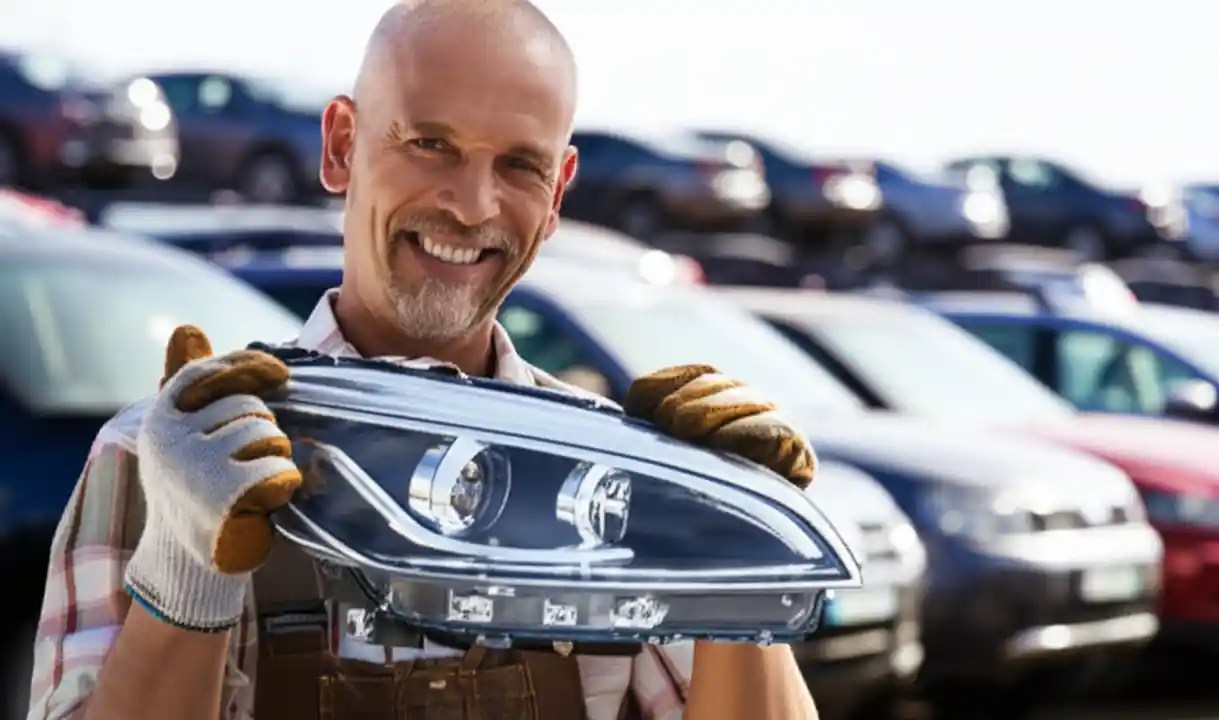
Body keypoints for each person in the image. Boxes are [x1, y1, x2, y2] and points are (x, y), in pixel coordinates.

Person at [27, 1, 820, 718]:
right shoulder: (166, 458)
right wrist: (183, 570)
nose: (473, 204)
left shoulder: (614, 481)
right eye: (431, 144)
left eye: (519, 165)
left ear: (557, 197)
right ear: (342, 146)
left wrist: (737, 551)